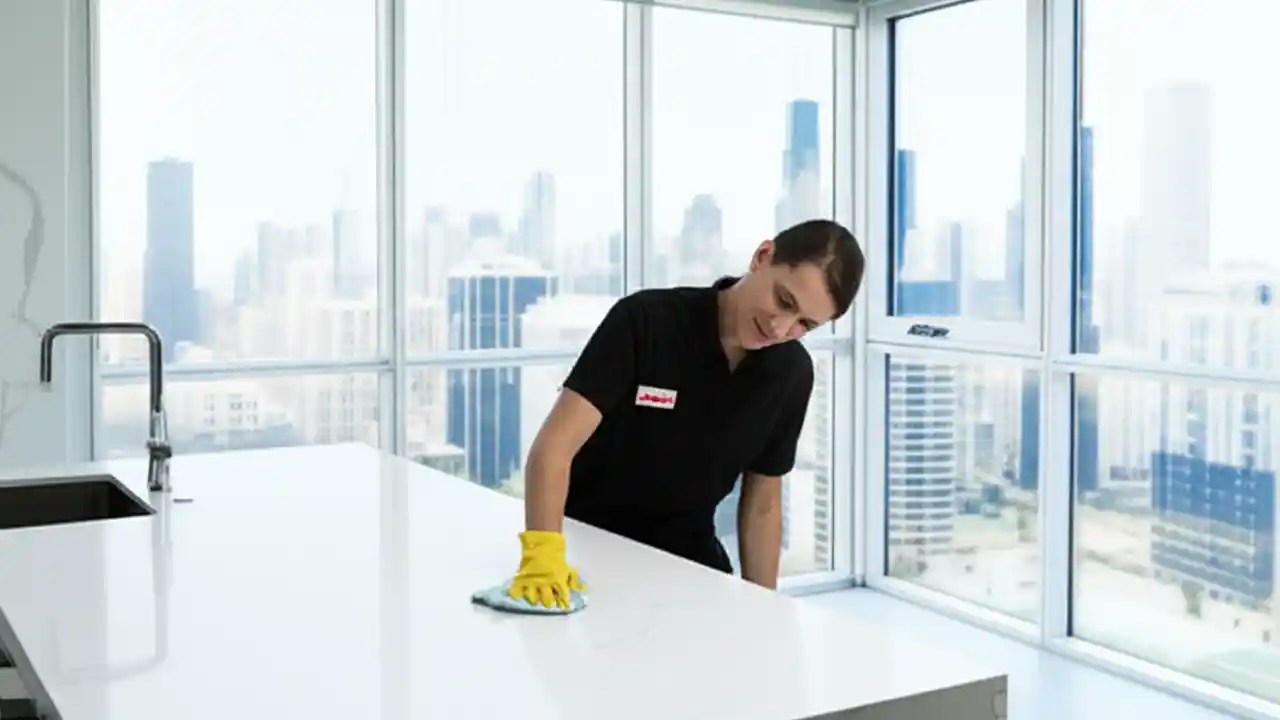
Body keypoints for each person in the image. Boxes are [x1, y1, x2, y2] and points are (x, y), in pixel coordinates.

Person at [507, 219, 865, 610]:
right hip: (586, 550)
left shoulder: (791, 374)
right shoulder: (645, 321)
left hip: (690, 564)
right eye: (784, 300)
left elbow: (762, 502)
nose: (780, 328)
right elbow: (555, 448)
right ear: (763, 257)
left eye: (804, 325)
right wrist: (543, 557)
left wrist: (765, 609)